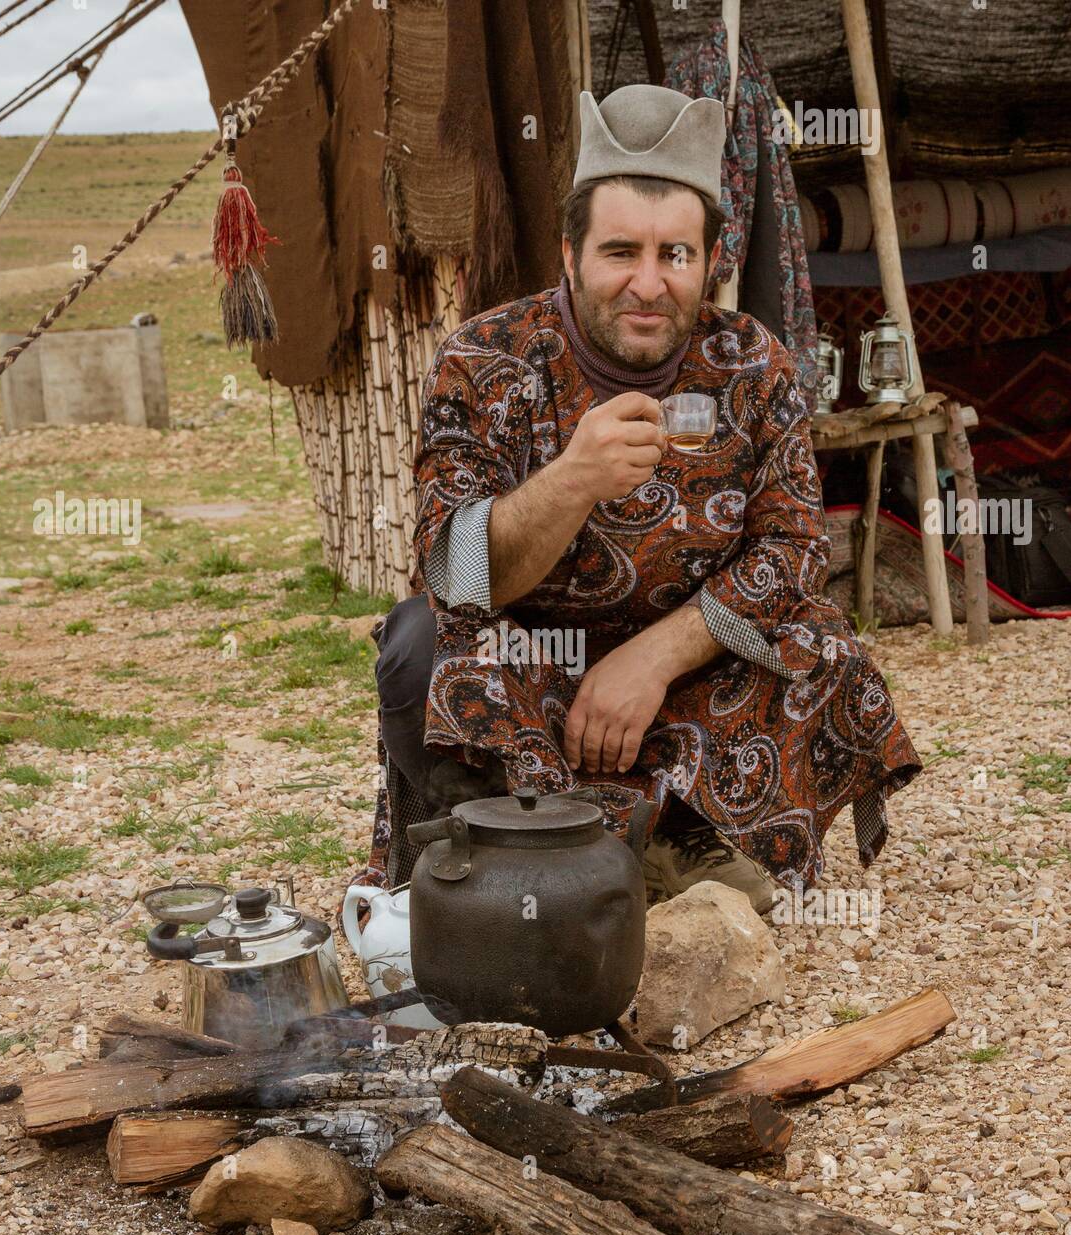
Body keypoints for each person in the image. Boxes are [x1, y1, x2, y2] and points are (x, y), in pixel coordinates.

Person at [360, 84, 922, 909]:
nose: (650, 284)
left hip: (689, 686)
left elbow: (794, 551)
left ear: (711, 260)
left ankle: (679, 839)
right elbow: (455, 572)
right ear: (569, 252)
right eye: (621, 251)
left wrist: (652, 659)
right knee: (419, 645)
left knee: (822, 645)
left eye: (676, 254)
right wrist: (573, 479)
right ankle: (521, 849)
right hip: (537, 683)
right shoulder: (483, 361)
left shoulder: (751, 363)